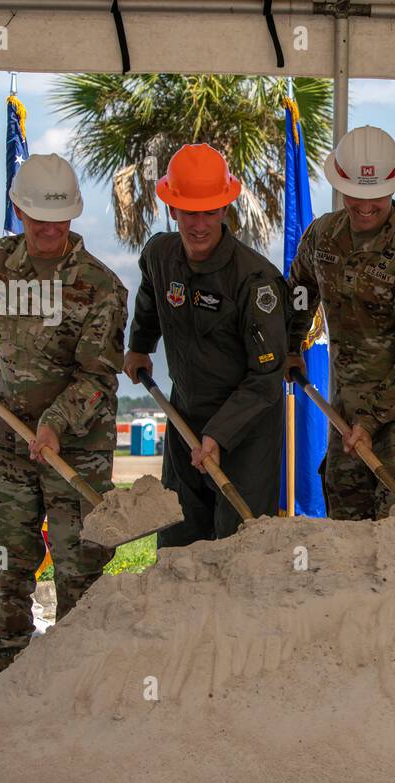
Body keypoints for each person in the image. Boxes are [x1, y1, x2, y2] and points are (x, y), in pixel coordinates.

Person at [0, 153, 127, 675]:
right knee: (8, 558)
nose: (49, 231)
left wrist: (53, 424)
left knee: (80, 565)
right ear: (19, 212)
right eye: (39, 220)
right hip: (11, 439)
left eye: (60, 221)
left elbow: (97, 377)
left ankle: (79, 675)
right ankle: (8, 671)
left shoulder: (101, 286)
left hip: (79, 447)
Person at [285, 125, 395, 519]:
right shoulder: (323, 237)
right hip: (349, 408)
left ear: (393, 187)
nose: (364, 205)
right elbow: (299, 291)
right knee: (347, 525)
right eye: (355, 194)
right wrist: (292, 345)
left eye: (375, 195)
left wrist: (371, 419)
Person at [124, 144, 288, 545]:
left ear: (225, 209)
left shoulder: (255, 280)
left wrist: (219, 434)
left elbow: (267, 377)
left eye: (210, 212)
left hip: (245, 431)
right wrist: (140, 345)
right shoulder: (160, 254)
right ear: (172, 209)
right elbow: (150, 295)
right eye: (189, 213)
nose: (199, 225)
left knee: (239, 546)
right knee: (179, 541)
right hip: (185, 417)